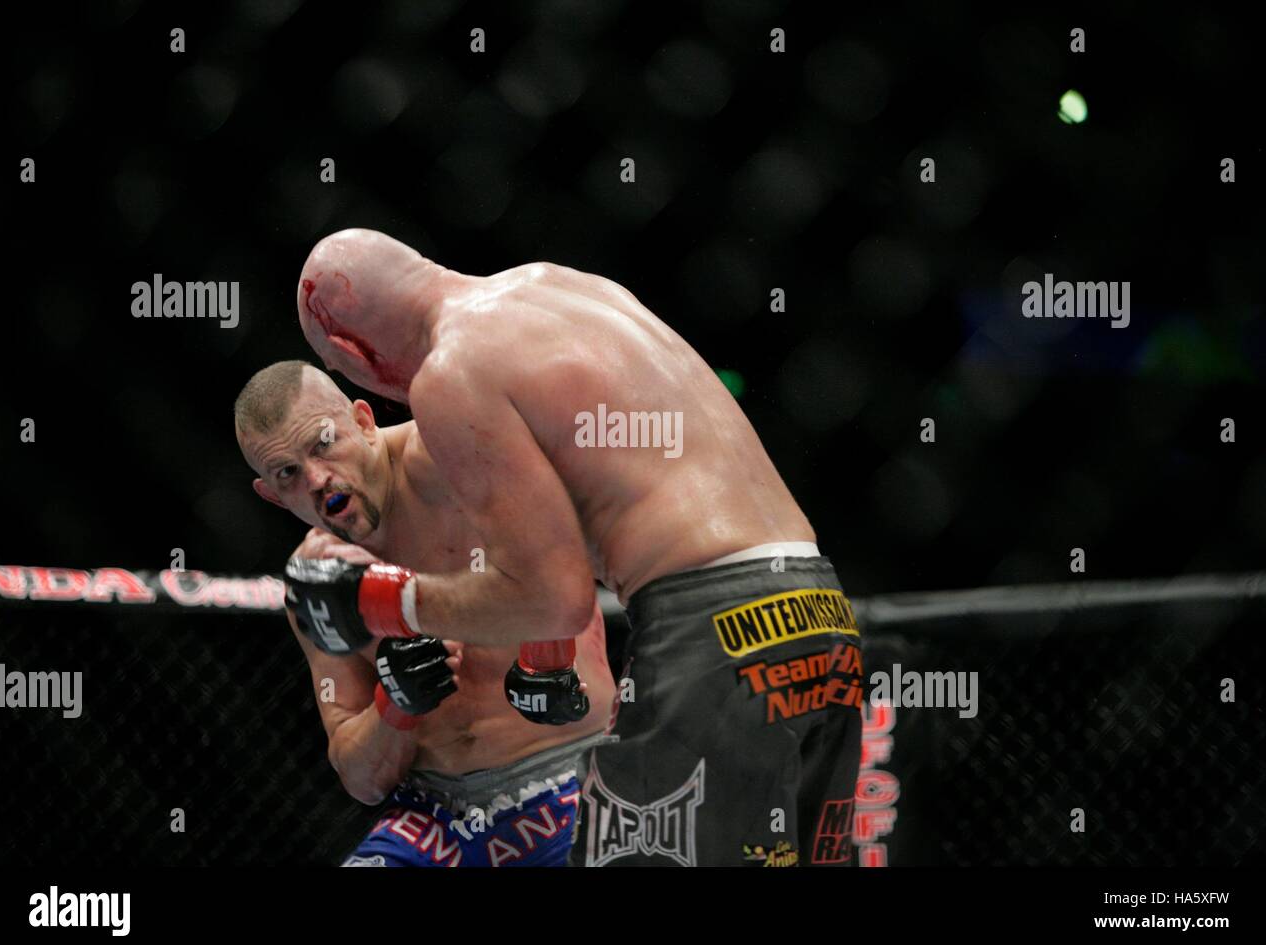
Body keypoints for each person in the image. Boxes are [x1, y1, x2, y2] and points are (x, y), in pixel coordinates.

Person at [285, 229, 864, 866]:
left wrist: (376, 602)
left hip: (711, 633)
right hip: (817, 608)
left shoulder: (450, 372)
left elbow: (551, 598)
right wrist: (544, 660)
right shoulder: (561, 284)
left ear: (349, 348)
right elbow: (578, 515)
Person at [235, 360, 615, 866]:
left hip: (577, 776)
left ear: (364, 421)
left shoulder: (458, 453)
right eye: (288, 474)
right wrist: (396, 703)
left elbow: (606, 533)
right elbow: (361, 777)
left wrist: (548, 654)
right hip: (435, 817)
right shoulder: (317, 586)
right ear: (272, 496)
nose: (318, 479)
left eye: (324, 444)